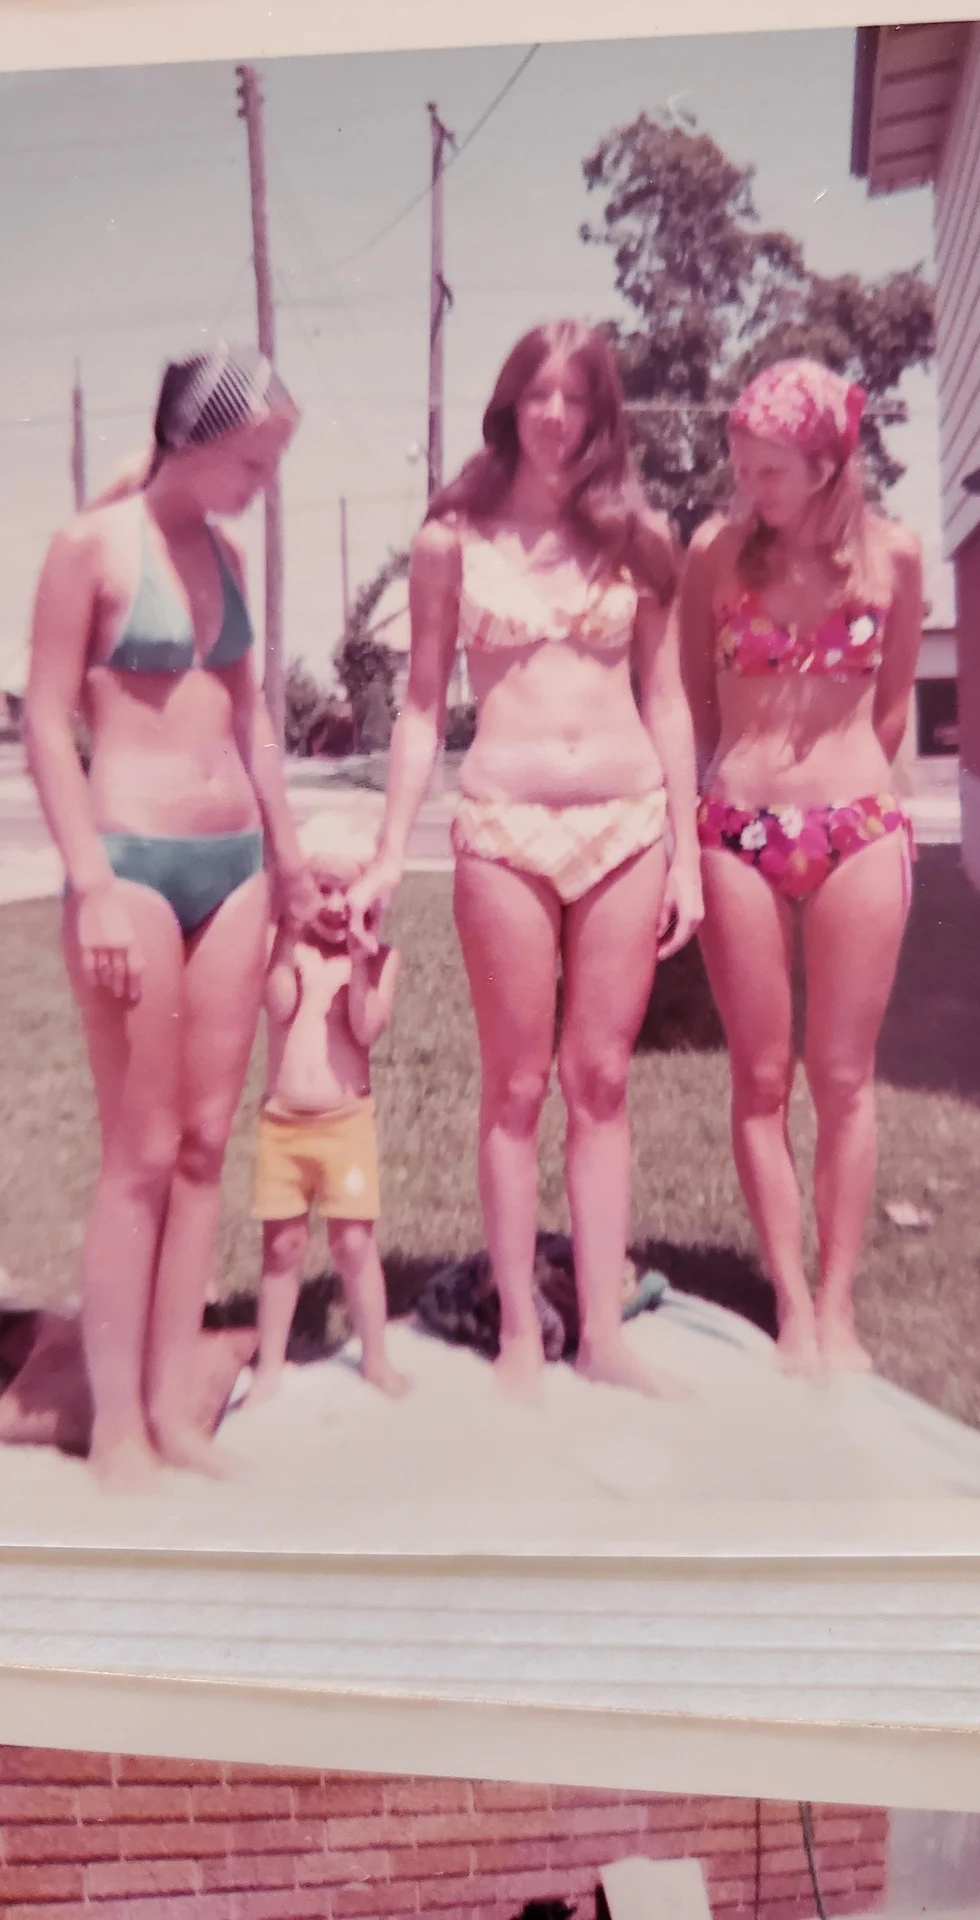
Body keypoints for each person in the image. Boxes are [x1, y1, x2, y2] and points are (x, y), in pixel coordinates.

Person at [347, 318, 703, 1402]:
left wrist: (686, 851)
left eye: (577, 397)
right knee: (515, 1084)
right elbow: (419, 711)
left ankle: (602, 1331)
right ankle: (517, 1333)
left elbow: (669, 698)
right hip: (502, 827)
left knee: (600, 1083)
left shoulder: (641, 536)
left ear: (602, 413)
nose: (555, 415)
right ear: (509, 404)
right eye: (537, 395)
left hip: (626, 825)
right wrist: (381, 853)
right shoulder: (452, 538)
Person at [24, 344, 311, 1491]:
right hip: (132, 865)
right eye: (253, 458)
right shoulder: (90, 549)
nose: (263, 481)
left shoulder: (228, 557)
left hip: (235, 866)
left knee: (204, 1147)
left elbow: (257, 728)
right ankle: (118, 1434)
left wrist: (287, 859)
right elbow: (47, 721)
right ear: (194, 440)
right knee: (137, 1153)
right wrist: (89, 878)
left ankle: (171, 1408)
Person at [679, 357, 923, 1377]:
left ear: (827, 464)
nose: (749, 489)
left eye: (770, 472)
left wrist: (881, 813)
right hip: (738, 827)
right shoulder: (716, 554)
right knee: (761, 1078)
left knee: (845, 1076)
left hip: (859, 828)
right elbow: (693, 700)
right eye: (741, 467)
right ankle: (788, 1298)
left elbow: (898, 702)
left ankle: (839, 1304)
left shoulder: (895, 557)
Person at [247, 809, 410, 1407]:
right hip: (283, 1127)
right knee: (282, 1246)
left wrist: (363, 965)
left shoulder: (379, 958)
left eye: (350, 890)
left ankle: (375, 1358)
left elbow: (365, 1031)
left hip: (346, 1126)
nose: (338, 904)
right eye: (323, 889)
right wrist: (287, 935)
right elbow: (278, 1006)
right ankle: (268, 1365)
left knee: (353, 1244)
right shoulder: (284, 950)